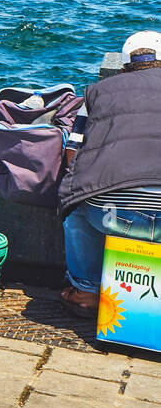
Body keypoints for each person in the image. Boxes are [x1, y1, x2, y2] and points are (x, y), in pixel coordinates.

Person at [59, 30, 161, 317]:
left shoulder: (96, 92)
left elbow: (72, 156)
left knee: (76, 206)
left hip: (115, 216)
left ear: (125, 65)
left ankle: (88, 291)